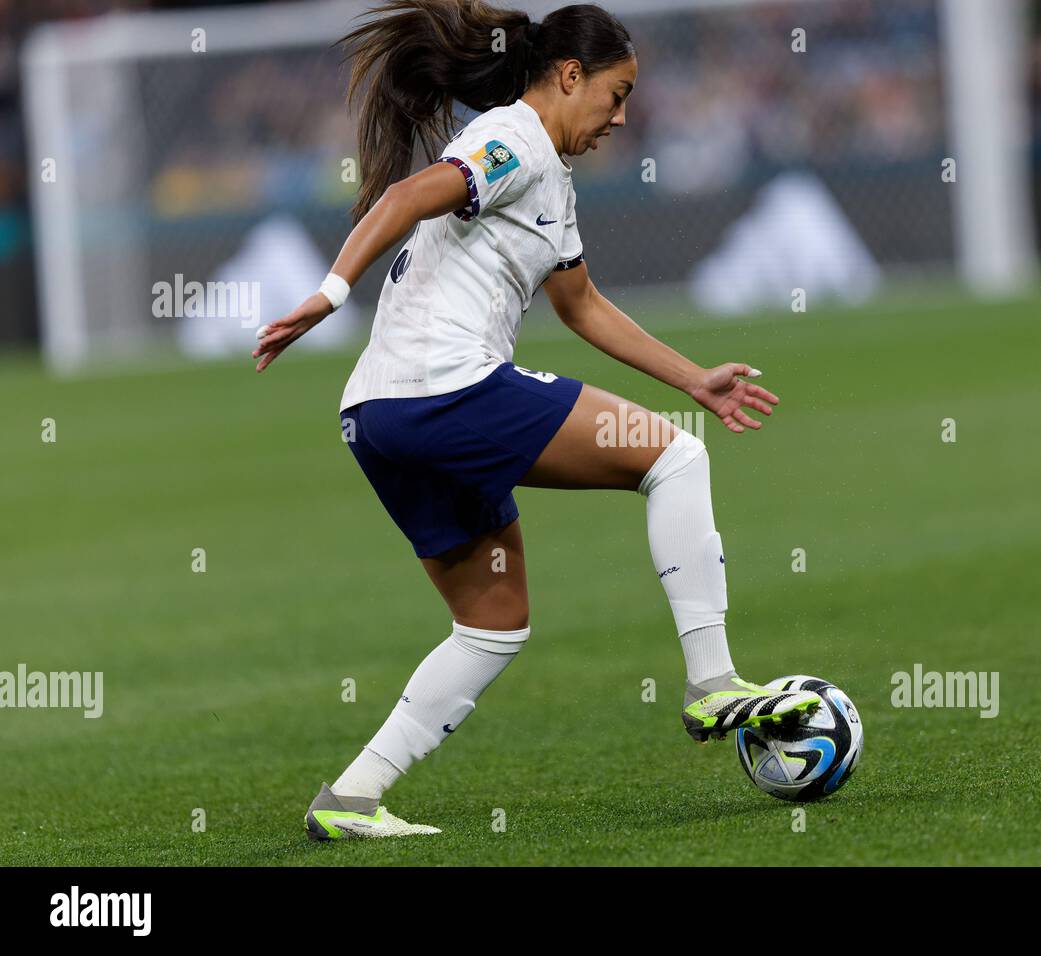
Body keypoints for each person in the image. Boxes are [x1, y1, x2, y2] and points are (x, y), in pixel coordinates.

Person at [251, 0, 820, 841]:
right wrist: (328, 296)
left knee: (492, 621)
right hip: (446, 390)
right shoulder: (513, 137)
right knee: (673, 460)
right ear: (568, 75)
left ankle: (351, 797)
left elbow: (581, 305)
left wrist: (695, 378)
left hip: (379, 416)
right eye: (616, 94)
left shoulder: (546, 174)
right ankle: (714, 684)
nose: (621, 117)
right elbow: (411, 193)